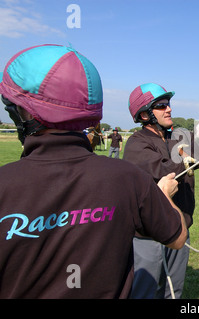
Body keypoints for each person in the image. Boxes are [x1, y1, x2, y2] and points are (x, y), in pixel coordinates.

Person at [0, 44, 187, 298]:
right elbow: (176, 236)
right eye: (161, 105)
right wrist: (163, 195)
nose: (168, 109)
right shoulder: (129, 177)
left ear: (23, 112)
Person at [123, 83, 199, 299]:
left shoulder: (175, 137)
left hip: (181, 229)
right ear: (144, 115)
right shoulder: (136, 144)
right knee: (145, 293)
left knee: (173, 292)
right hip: (149, 236)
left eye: (168, 104)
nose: (169, 109)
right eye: (161, 105)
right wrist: (188, 157)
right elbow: (165, 170)